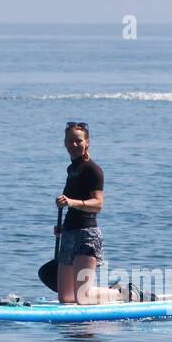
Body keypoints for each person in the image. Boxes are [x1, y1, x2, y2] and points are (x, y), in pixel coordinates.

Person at [54, 122, 124, 305]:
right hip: (69, 233)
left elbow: (98, 204)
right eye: (70, 141)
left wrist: (71, 202)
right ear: (65, 143)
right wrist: (62, 227)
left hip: (87, 235)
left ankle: (122, 293)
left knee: (82, 298)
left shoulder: (93, 169)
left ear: (87, 143)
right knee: (65, 298)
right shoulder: (72, 170)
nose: (74, 145)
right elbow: (75, 202)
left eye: (78, 141)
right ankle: (107, 292)